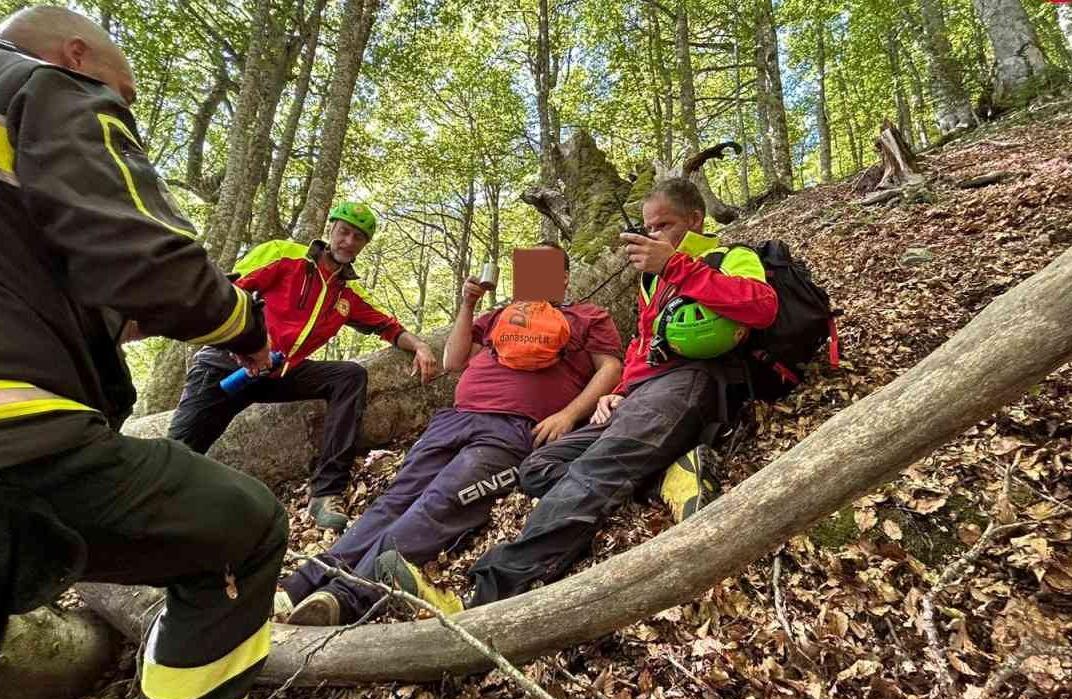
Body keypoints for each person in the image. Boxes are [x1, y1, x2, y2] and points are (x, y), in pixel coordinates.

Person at [0, 7, 287, 699]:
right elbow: (149, 258)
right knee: (243, 528)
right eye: (123, 95)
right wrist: (245, 328)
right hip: (17, 435)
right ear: (75, 56)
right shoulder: (39, 86)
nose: (123, 112)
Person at [376, 178, 778, 611]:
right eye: (647, 227)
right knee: (537, 468)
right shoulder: (652, 279)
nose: (651, 235)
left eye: (663, 225)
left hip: (692, 381)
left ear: (695, 221)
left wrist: (677, 264)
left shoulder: (728, 256)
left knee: (595, 471)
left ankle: (487, 595)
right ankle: (666, 473)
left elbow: (762, 305)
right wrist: (619, 391)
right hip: (640, 394)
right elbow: (642, 345)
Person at [276, 243, 624, 625]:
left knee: (440, 502)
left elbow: (609, 367)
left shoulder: (587, 316)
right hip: (454, 420)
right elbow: (453, 361)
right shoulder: (499, 317)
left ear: (564, 277)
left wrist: (568, 415)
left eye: (544, 269)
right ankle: (299, 587)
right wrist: (468, 305)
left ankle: (345, 596)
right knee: (393, 500)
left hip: (513, 431)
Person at [167, 203, 439, 530]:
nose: (348, 241)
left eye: (358, 237)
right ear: (331, 228)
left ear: (364, 245)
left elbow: (388, 327)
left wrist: (421, 345)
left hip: (278, 374)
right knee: (177, 453)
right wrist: (244, 344)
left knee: (349, 376)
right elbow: (227, 293)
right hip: (225, 366)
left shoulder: (348, 294)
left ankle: (326, 493)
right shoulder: (284, 255)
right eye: (344, 231)